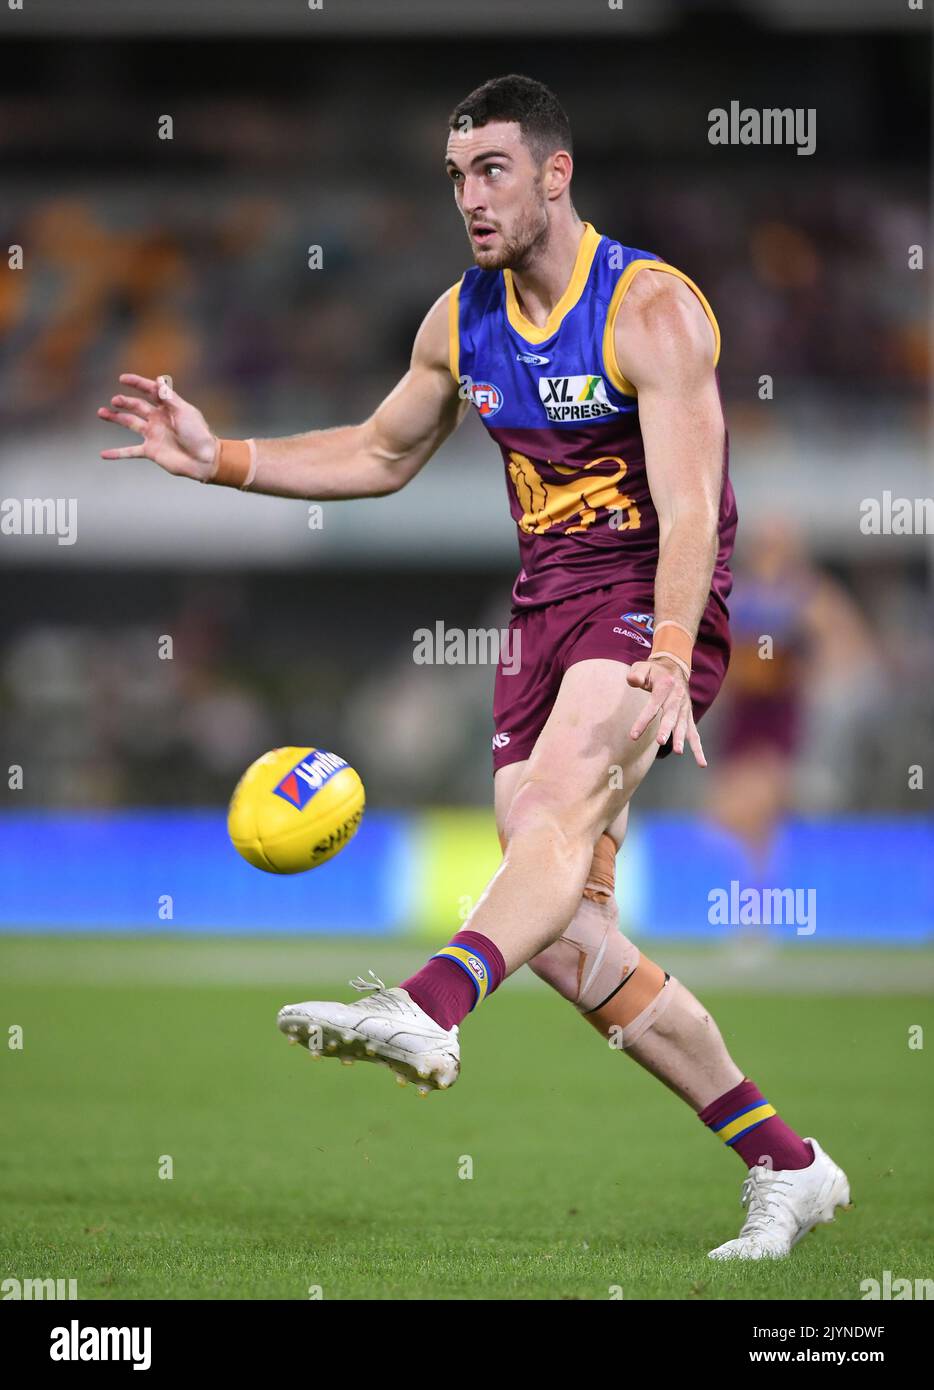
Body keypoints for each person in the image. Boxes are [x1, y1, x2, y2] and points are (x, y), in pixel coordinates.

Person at [98, 74, 850, 1260]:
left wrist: (663, 650)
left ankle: (427, 1006)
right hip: (541, 615)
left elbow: (695, 500)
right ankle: (786, 1162)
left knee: (549, 812)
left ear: (555, 171)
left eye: (491, 168)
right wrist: (222, 457)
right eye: (455, 175)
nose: (469, 196)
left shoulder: (648, 308)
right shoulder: (460, 318)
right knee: (558, 931)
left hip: (647, 609)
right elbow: (380, 449)